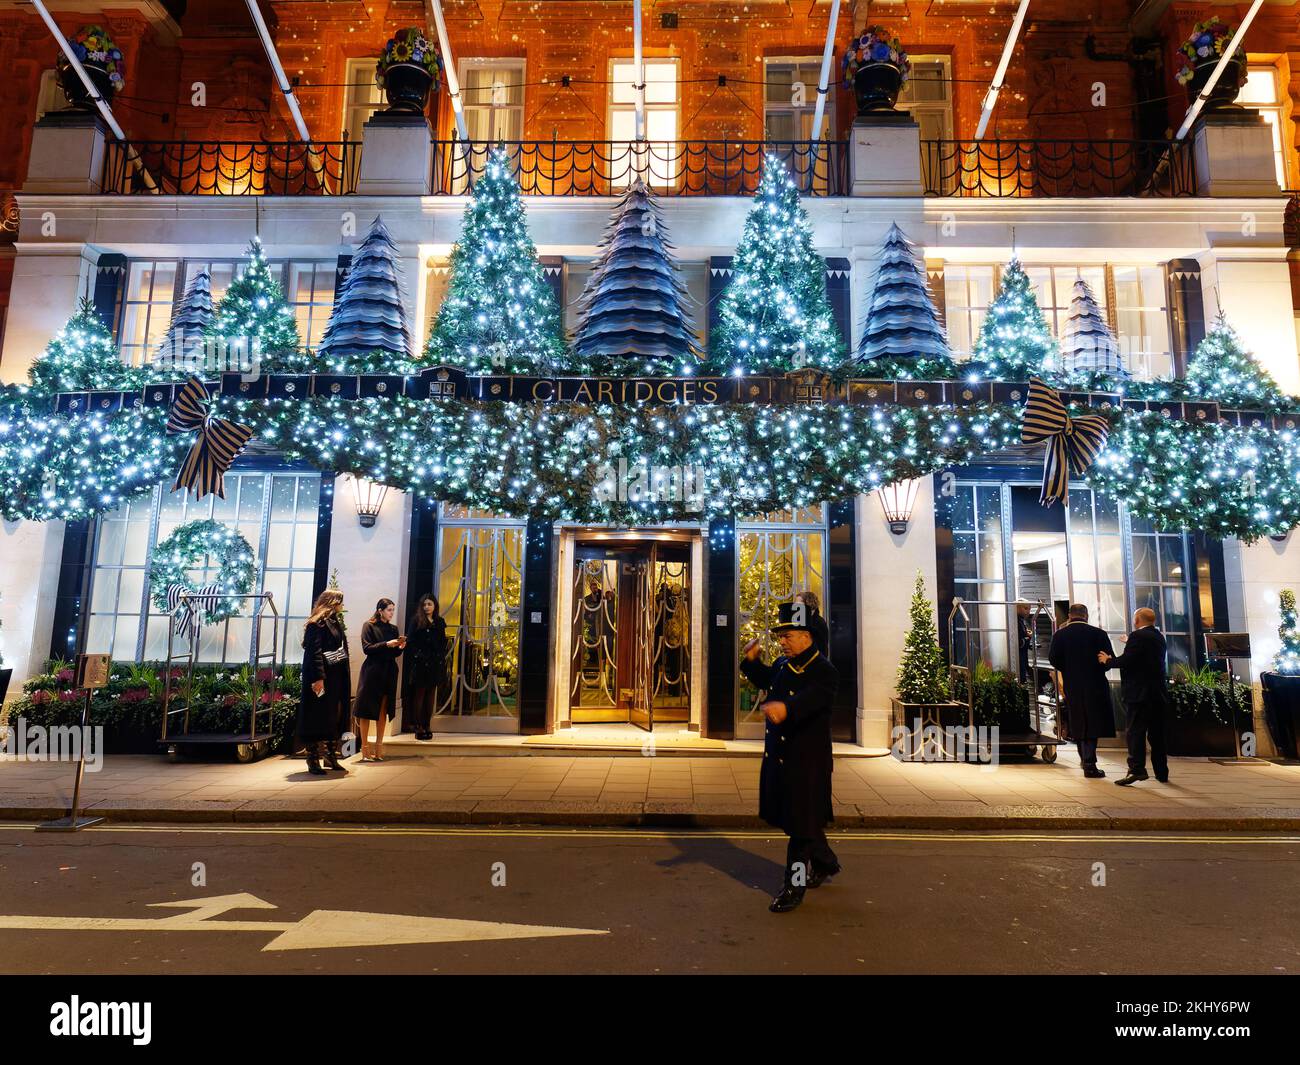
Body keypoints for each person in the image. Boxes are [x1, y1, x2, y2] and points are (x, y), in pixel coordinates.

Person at [740, 600, 840, 914]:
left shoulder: (824, 670)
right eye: (781, 635)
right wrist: (752, 663)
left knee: (799, 829)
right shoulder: (785, 666)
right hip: (782, 759)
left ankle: (793, 887)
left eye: (788, 635)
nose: (782, 641)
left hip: (806, 763)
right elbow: (768, 680)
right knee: (803, 819)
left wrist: (788, 708)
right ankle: (825, 863)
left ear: (807, 636)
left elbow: (812, 699)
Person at [1099, 607, 1170, 786]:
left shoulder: (1138, 637)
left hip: (1139, 694)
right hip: (1158, 694)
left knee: (1135, 733)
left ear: (1137, 620)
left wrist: (1108, 660)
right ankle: (1162, 772)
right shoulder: (1158, 636)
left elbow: (1127, 660)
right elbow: (1144, 658)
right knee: (1157, 735)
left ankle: (1137, 770)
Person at [1048, 603, 1116, 778]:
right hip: (1095, 684)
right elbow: (1108, 660)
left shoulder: (1060, 635)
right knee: (1092, 721)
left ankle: (1085, 759)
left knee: (1078, 720)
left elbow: (1053, 659)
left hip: (1073, 684)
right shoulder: (1099, 634)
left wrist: (1069, 669)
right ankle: (1089, 762)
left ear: (1070, 616)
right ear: (1086, 615)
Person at [299, 589, 351, 776]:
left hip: (335, 677)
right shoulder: (317, 623)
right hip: (321, 678)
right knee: (316, 715)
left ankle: (330, 755)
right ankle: (313, 758)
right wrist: (318, 677)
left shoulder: (334, 621)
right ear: (333, 602)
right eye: (341, 602)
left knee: (332, 715)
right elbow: (315, 651)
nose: (343, 605)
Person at [353, 598, 405, 761]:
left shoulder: (393, 628)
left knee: (383, 708)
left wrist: (399, 648)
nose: (391, 613)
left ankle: (379, 746)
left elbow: (394, 653)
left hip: (389, 670)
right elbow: (367, 648)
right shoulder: (369, 626)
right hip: (372, 671)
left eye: (393, 610)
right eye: (389, 609)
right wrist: (387, 644)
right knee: (366, 709)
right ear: (380, 610)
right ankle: (365, 747)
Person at [403, 593, 447, 741]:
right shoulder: (416, 620)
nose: (427, 607)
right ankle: (418, 726)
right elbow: (410, 641)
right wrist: (418, 655)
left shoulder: (439, 621)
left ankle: (427, 725)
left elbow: (442, 642)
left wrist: (440, 657)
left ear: (435, 606)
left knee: (430, 695)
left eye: (430, 604)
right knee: (419, 694)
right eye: (424, 605)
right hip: (420, 663)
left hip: (434, 663)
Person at [793, 590, 830, 658]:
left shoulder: (819, 622)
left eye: (799, 604)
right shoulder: (800, 621)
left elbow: (822, 650)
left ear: (808, 604)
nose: (796, 607)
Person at [1016, 600, 1034, 684]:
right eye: (1026, 608)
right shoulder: (1015, 621)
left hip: (1022, 658)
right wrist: (1028, 637)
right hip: (1018, 660)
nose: (1028, 612)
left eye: (1029, 609)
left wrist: (1026, 634)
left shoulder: (1020, 620)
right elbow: (1018, 643)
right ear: (1017, 607)